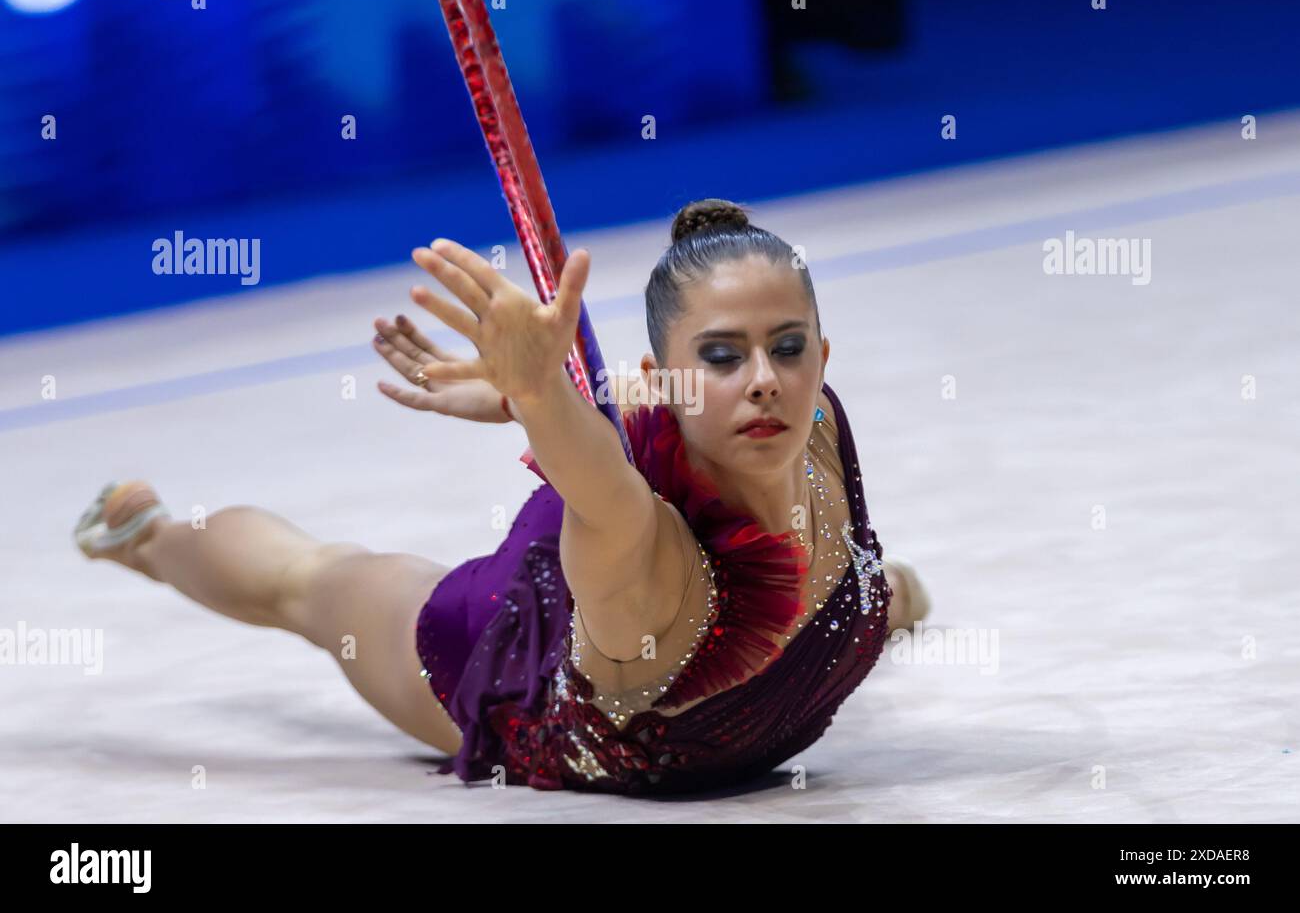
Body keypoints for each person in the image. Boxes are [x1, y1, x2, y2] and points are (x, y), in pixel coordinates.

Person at [73, 198, 930, 795]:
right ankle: (149, 537)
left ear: (823, 355)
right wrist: (541, 398)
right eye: (720, 356)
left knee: (887, 594)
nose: (763, 381)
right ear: (665, 378)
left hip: (640, 480)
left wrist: (537, 395)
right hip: (523, 663)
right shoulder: (647, 546)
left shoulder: (807, 420)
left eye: (788, 346)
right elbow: (599, 483)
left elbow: (646, 404)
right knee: (312, 582)